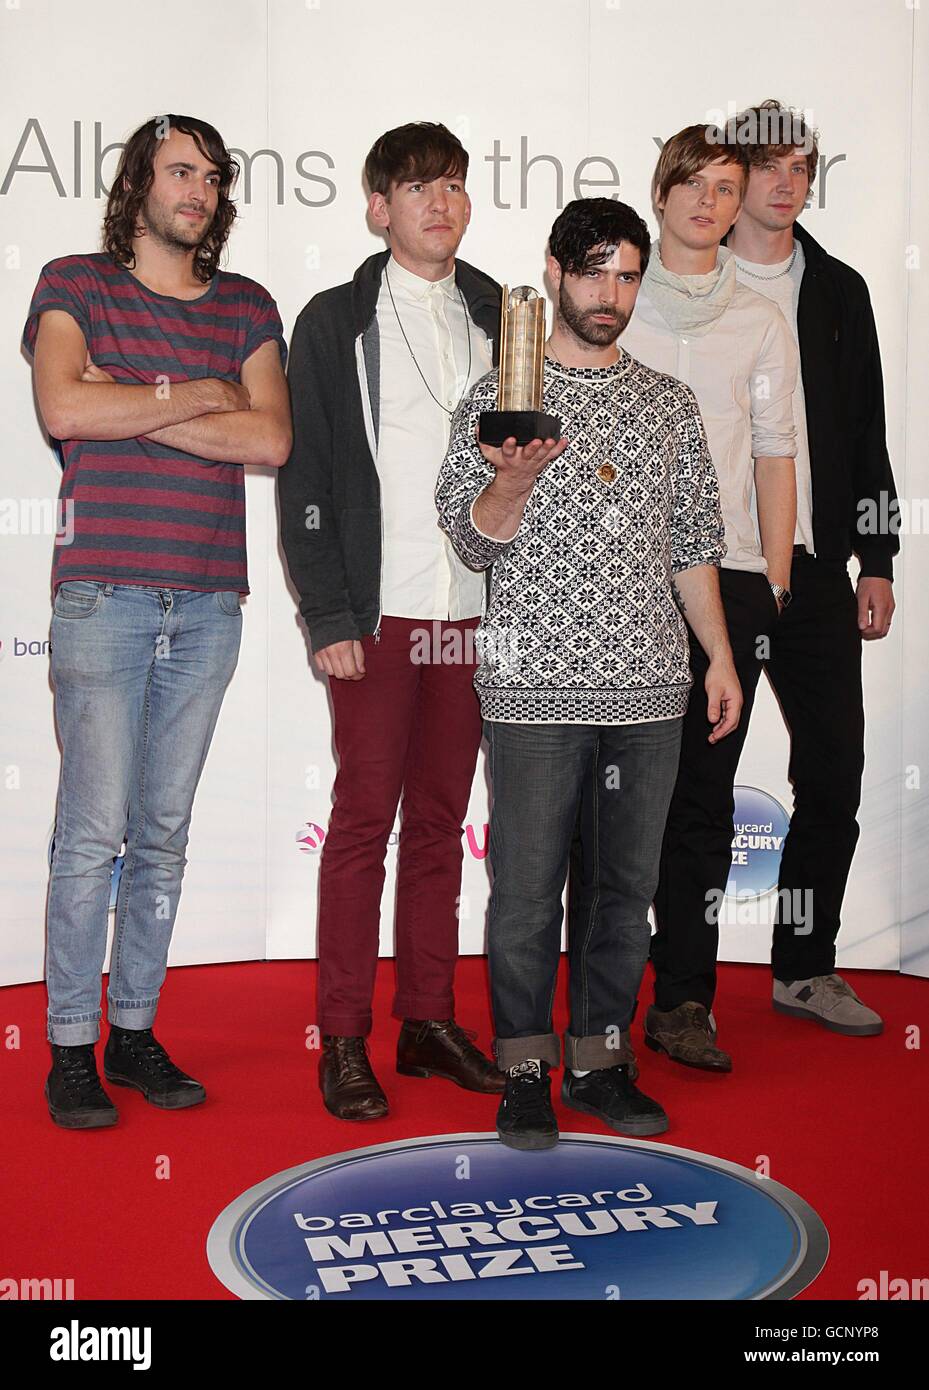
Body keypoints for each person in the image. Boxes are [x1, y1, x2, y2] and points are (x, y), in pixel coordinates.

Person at [436, 198, 742, 1151]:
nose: (609, 293)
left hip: (651, 691)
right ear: (556, 275)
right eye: (593, 272)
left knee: (623, 891)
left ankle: (601, 1061)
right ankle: (525, 1068)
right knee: (526, 890)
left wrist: (720, 656)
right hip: (531, 692)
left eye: (626, 275)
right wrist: (513, 476)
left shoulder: (667, 404)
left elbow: (692, 544)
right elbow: (469, 539)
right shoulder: (494, 402)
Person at [22, 114, 291, 1129]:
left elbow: (268, 437)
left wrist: (133, 395)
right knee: (92, 833)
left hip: (209, 601)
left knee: (164, 834)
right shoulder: (73, 284)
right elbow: (64, 411)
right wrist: (196, 392)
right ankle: (70, 1048)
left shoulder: (248, 303)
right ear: (139, 183)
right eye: (181, 171)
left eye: (213, 176)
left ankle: (133, 1029)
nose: (200, 189)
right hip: (105, 595)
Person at [278, 122, 504, 1121]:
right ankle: (341, 1037)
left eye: (453, 185)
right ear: (378, 207)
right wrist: (327, 608)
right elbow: (307, 475)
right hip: (378, 616)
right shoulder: (334, 322)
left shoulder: (502, 311)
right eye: (417, 187)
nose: (439, 202)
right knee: (364, 820)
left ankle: (424, 1018)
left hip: (473, 613)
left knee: (443, 824)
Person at [569, 123, 799, 1073]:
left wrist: (774, 581)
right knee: (603, 799)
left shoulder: (758, 318)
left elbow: (778, 453)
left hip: (729, 581)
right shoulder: (613, 301)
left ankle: (686, 998)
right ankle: (590, 1007)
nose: (708, 202)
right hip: (617, 582)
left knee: (701, 807)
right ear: (660, 193)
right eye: (692, 184)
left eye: (724, 187)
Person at [722, 101, 898, 1035]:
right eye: (771, 166)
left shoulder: (839, 289)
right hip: (716, 569)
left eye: (803, 167)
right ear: (734, 175)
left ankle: (804, 966)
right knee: (694, 784)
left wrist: (878, 555)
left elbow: (864, 432)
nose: (788, 183)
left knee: (833, 769)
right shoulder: (686, 283)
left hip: (820, 566)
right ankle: (676, 988)